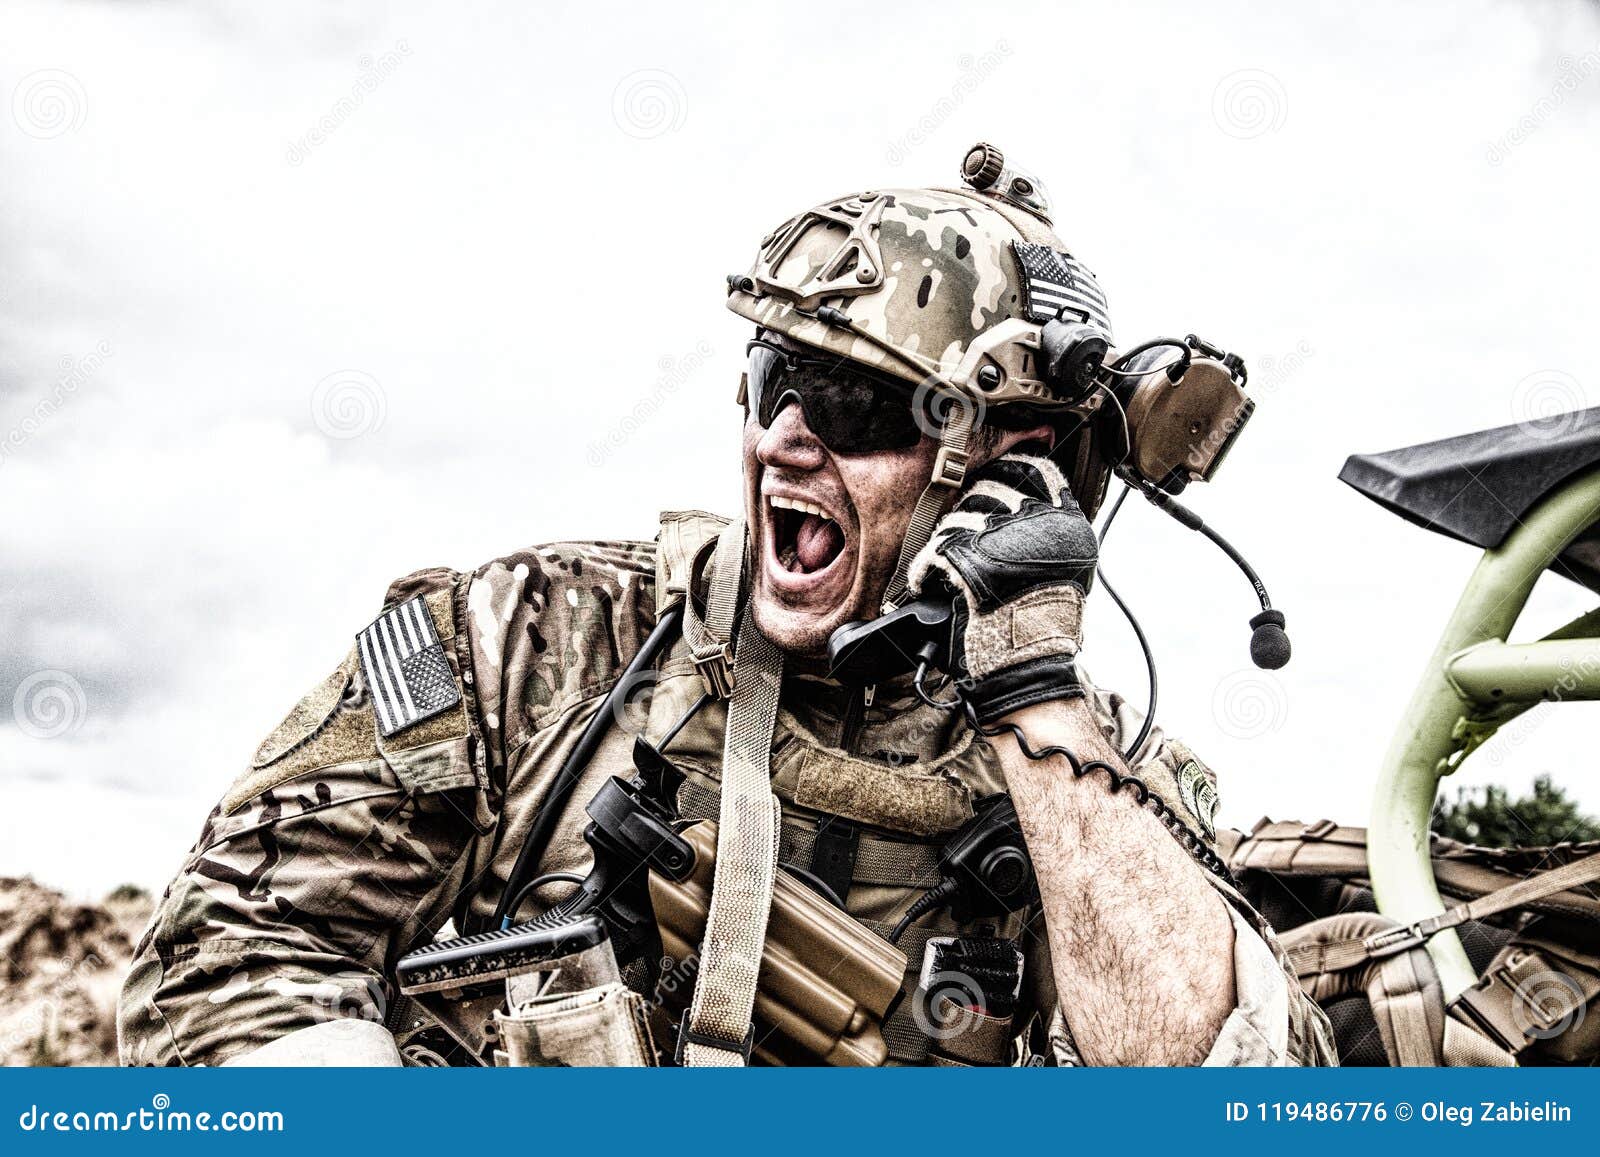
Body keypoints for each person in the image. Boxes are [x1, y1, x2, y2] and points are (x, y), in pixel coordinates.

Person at [118, 143, 1335, 1068]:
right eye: (772, 379)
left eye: (855, 404)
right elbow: (225, 956)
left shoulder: (1102, 779)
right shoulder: (526, 637)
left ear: (1009, 461)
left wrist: (1031, 693)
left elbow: (1235, 1087)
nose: (784, 437)